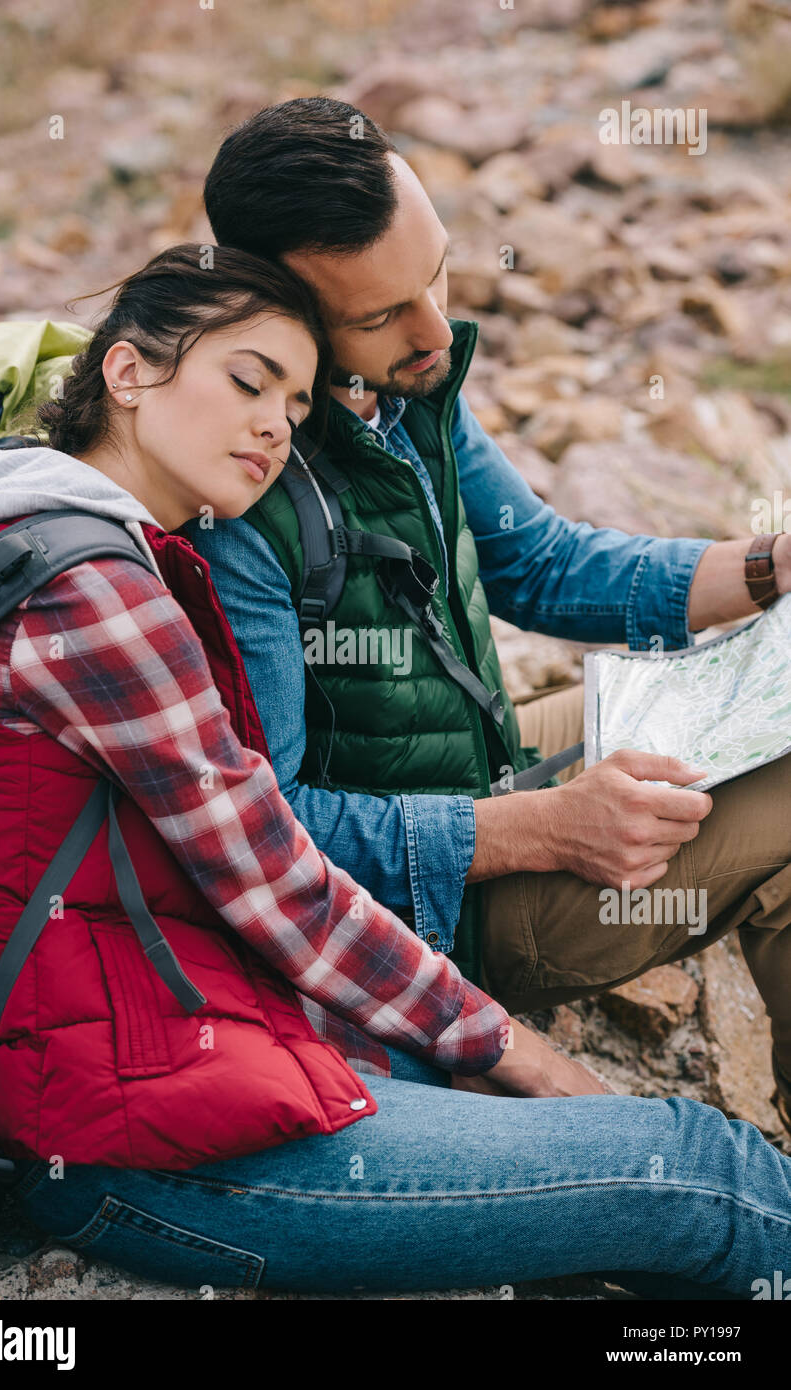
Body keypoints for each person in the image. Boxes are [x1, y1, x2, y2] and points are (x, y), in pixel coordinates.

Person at [0, 243, 789, 1301]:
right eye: (248, 383)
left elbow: (540, 560)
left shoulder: (32, 530)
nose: (277, 428)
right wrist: (514, 1047)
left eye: (295, 401)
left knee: (605, 1175)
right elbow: (280, 880)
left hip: (177, 1054)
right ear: (127, 372)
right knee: (704, 1172)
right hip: (141, 1143)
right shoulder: (93, 593)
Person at [193, 97, 791, 1136]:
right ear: (275, 314)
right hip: (427, 914)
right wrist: (542, 827)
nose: (435, 332)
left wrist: (768, 566)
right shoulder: (240, 499)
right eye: (380, 316)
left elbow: (542, 564)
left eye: (437, 273)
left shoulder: (402, 388)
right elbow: (270, 836)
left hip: (488, 775)